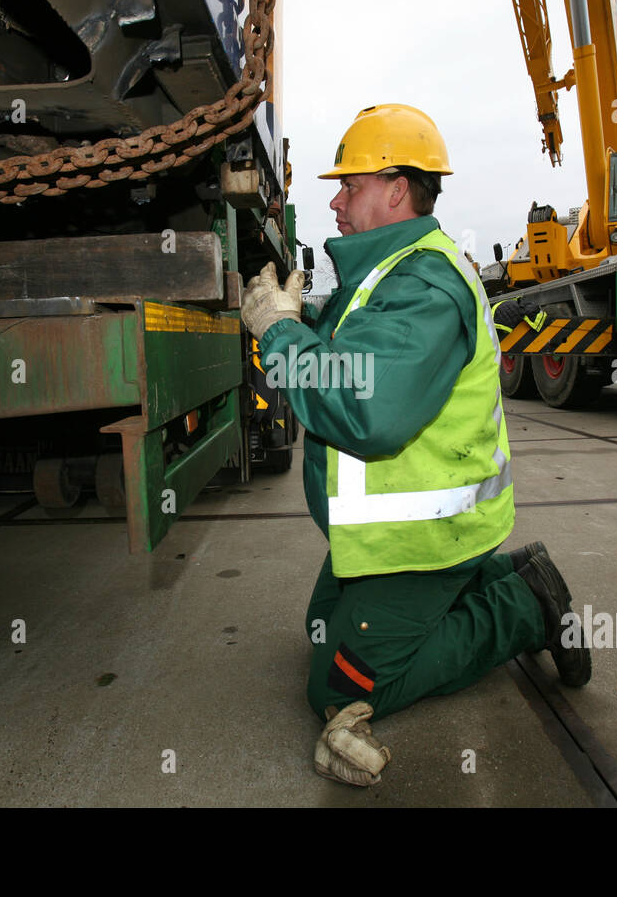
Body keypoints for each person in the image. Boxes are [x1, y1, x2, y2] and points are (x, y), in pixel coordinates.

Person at [239, 104, 591, 788]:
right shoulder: (395, 271)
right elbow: (361, 350)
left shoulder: (423, 285)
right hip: (389, 536)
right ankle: (509, 575)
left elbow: (367, 408)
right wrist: (305, 317)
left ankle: (525, 608)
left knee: (333, 685)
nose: (336, 202)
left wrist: (279, 334)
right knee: (320, 628)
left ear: (397, 189)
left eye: (350, 186)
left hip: (425, 537)